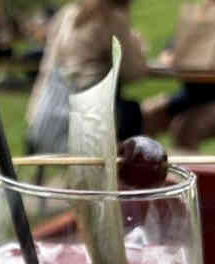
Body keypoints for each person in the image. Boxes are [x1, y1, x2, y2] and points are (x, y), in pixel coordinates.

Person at [26, 0, 147, 152]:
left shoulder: (69, 13)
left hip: (44, 119)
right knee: (131, 111)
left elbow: (47, 67)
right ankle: (127, 172)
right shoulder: (112, 19)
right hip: (81, 126)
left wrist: (33, 115)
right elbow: (133, 71)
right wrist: (136, 45)